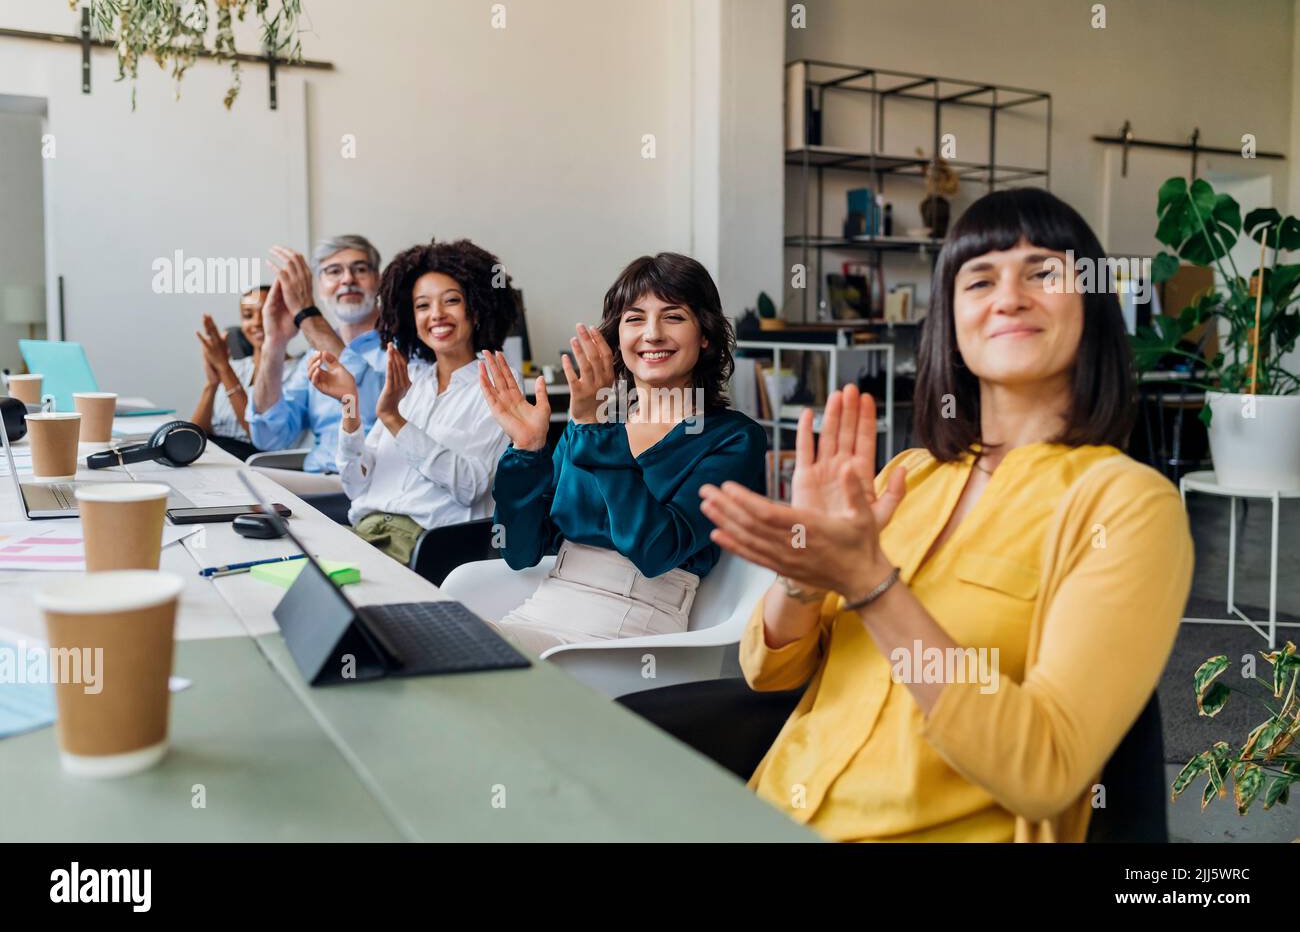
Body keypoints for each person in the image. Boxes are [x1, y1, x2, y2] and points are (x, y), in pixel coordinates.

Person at [698, 187, 1195, 842]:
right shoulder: (907, 476)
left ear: (1092, 306)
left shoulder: (1126, 506)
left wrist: (873, 587)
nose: (1009, 297)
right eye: (980, 279)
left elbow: (1044, 771)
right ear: (952, 324)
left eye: (1042, 272)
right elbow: (768, 672)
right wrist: (804, 575)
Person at [480, 252, 768, 656]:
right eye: (634, 319)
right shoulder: (589, 425)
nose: (652, 334)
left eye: (673, 316)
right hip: (542, 611)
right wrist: (528, 453)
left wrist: (598, 432)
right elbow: (519, 552)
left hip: (631, 630)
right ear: (616, 337)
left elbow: (656, 550)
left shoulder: (734, 439)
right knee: (436, 641)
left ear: (705, 335)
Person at [307, 240, 520, 565]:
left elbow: (470, 486)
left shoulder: (498, 382)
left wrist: (394, 418)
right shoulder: (412, 380)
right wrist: (349, 404)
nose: (436, 315)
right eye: (422, 306)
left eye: (451, 301)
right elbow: (354, 484)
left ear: (475, 309)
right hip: (362, 532)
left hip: (424, 546)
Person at [247, 235, 387, 495]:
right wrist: (274, 343)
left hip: (370, 484)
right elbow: (270, 436)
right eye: (334, 271)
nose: (347, 279)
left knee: (248, 485)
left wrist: (306, 313)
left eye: (359, 269)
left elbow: (360, 397)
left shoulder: (402, 346)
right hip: (317, 478)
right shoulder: (314, 353)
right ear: (320, 286)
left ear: (378, 280)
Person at [189, 286, 298, 461]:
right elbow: (194, 434)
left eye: (265, 314)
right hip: (213, 455)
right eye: (248, 315)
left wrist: (224, 369)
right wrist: (212, 383)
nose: (256, 322)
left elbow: (260, 435)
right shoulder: (236, 367)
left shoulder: (298, 372)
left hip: (254, 462)